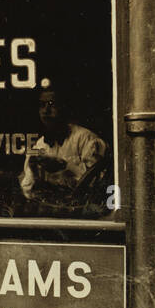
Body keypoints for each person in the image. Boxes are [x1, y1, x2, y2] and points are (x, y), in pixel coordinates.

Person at [19, 79, 109, 212]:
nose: (46, 111)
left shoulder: (87, 139)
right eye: (42, 105)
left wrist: (64, 167)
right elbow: (27, 190)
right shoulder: (39, 145)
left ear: (64, 107)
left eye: (52, 104)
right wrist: (34, 174)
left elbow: (98, 185)